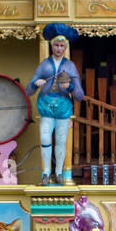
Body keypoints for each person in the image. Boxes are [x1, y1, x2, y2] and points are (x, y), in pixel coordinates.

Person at [29, 23, 84, 185]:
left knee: (61, 140)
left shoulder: (70, 66)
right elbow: (29, 89)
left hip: (63, 107)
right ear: (51, 46)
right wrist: (35, 84)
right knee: (45, 138)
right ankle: (46, 173)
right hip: (46, 105)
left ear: (65, 47)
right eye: (56, 45)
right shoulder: (44, 64)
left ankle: (59, 172)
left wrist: (71, 86)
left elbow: (80, 95)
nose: (59, 49)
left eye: (62, 46)